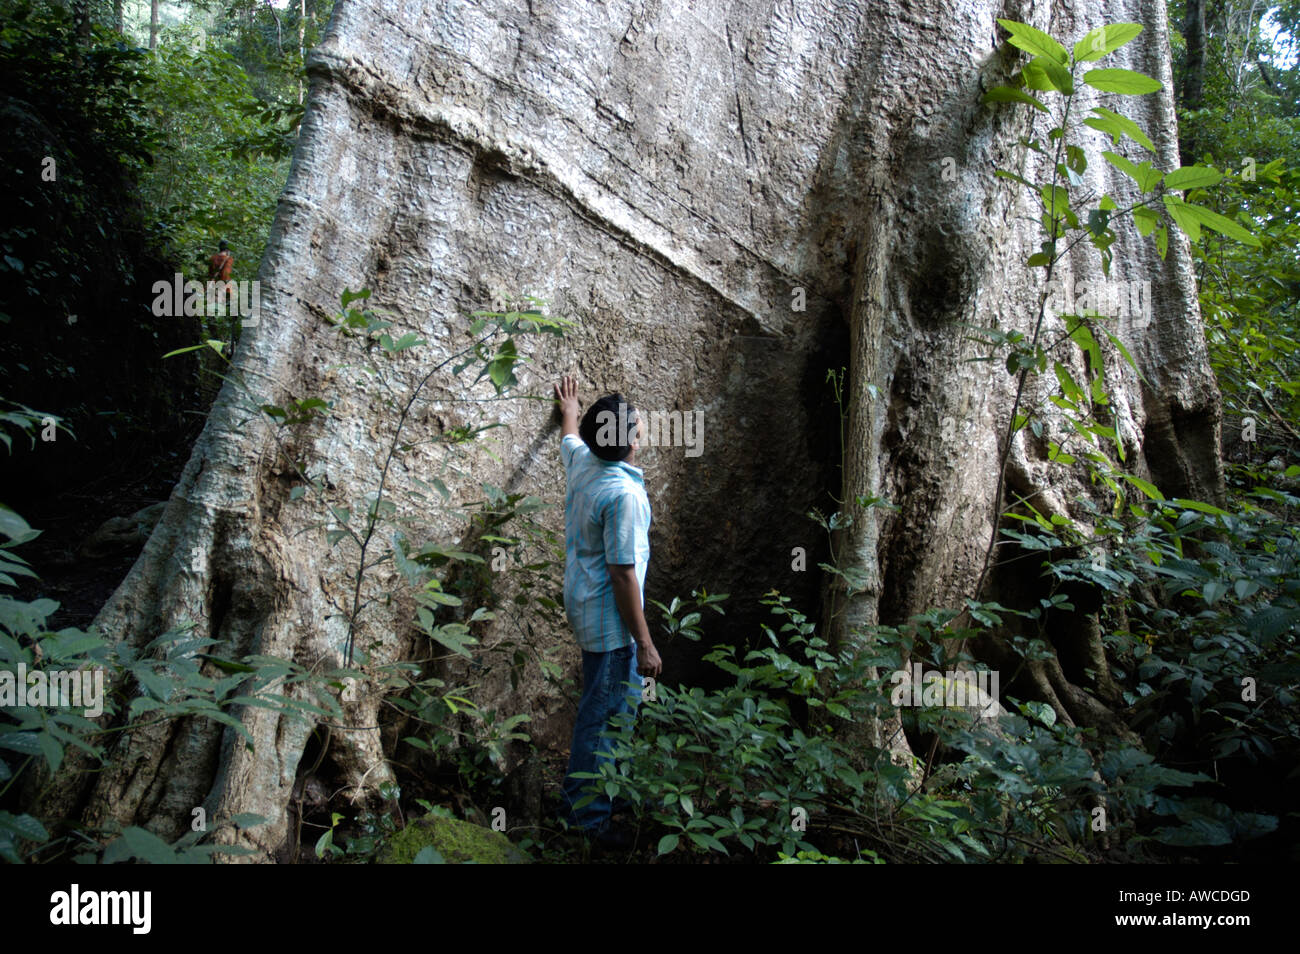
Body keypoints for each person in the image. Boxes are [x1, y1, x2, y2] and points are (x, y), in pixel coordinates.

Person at [553, 375, 662, 848]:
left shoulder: (584, 465)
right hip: (612, 622)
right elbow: (623, 574)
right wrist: (645, 642)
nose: (640, 426)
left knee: (608, 709)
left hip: (584, 606)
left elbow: (570, 441)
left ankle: (602, 800)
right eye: (636, 423)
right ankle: (586, 824)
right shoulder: (625, 496)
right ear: (630, 440)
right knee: (604, 717)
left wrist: (571, 411)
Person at [207, 240, 234, 315]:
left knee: (211, 313)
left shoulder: (212, 258)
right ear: (227, 250)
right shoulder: (228, 259)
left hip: (211, 287)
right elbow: (226, 276)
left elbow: (210, 274)